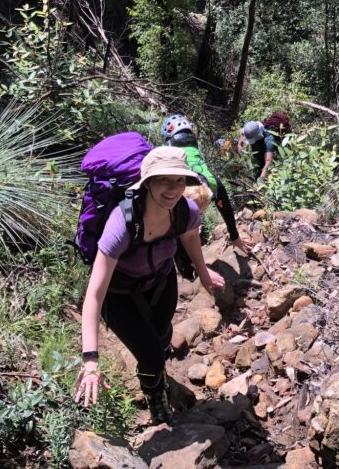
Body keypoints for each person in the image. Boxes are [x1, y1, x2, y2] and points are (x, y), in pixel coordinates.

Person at [74, 146, 225, 424]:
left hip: (161, 280)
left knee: (163, 334)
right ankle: (156, 398)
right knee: (152, 354)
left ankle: (158, 374)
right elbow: (94, 296)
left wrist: (203, 273)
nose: (173, 188)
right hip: (118, 295)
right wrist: (91, 360)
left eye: (179, 180)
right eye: (164, 180)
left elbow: (191, 236)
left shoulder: (185, 210)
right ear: (147, 182)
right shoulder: (122, 223)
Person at [160, 114, 251, 254]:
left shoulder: (170, 185)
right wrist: (235, 236)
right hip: (198, 185)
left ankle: (185, 269)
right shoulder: (212, 182)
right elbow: (225, 207)